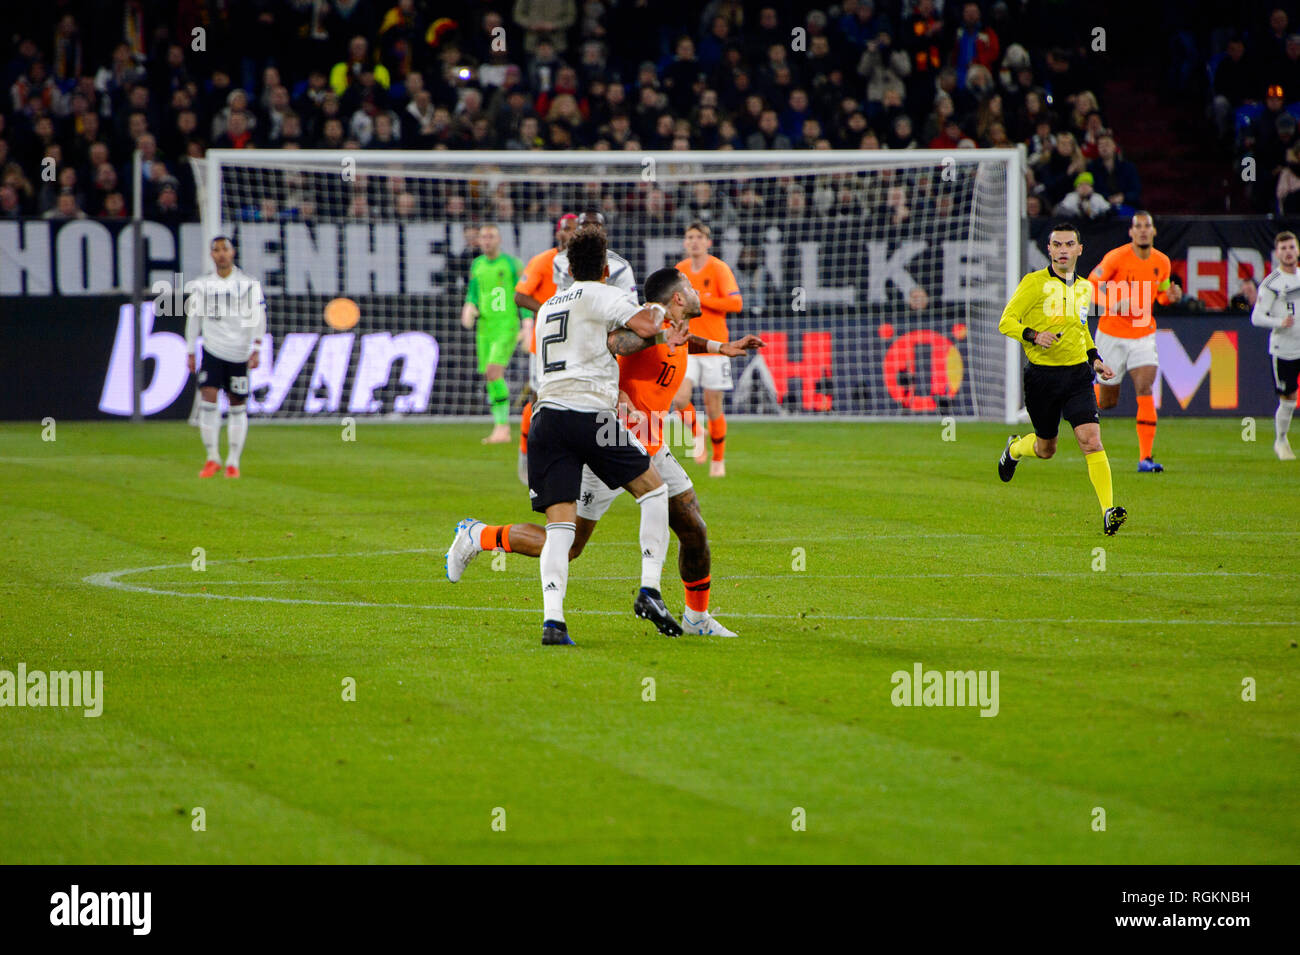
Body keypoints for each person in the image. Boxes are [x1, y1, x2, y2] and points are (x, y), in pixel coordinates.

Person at [446, 268, 765, 636]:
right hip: (609, 445)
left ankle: (696, 618)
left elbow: (678, 340)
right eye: (690, 288)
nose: (696, 292)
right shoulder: (639, 323)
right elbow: (613, 345)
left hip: (652, 444)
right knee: (566, 546)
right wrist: (618, 395)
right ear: (677, 298)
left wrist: (720, 347)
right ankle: (478, 536)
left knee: (693, 527)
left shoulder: (671, 328)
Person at [491, 229, 686, 645]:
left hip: (546, 418)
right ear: (604, 268)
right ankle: (650, 590)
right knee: (653, 492)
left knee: (560, 530)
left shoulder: (547, 307)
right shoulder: (600, 293)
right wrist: (660, 305)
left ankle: (553, 624)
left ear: (567, 267)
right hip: (589, 416)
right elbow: (649, 323)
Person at [997, 222, 1127, 536]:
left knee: (1091, 440)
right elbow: (1006, 322)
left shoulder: (1084, 287)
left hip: (1077, 376)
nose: (1063, 250)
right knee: (1046, 449)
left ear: (1079, 249)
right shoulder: (1033, 283)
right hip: (1042, 378)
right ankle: (1014, 450)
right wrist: (1032, 335)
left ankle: (1108, 510)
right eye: (1057, 245)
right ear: (1049, 249)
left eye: (1069, 244)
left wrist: (1095, 359)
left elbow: (1081, 329)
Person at [1088, 212, 1181, 471]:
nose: (1142, 231)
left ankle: (1145, 458)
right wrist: (1112, 302)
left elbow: (1161, 293)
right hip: (1112, 334)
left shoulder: (1162, 262)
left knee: (1145, 388)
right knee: (1107, 401)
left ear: (1153, 231)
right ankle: (1078, 399)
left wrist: (1169, 297)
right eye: (1137, 226)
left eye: (1147, 226)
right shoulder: (1116, 257)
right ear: (1131, 232)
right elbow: (1090, 285)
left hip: (1143, 333)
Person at [184, 236, 266, 478]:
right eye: (216, 250)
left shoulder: (249, 284)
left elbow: (258, 316)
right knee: (208, 398)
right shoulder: (202, 285)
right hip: (212, 351)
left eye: (225, 249)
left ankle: (233, 461)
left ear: (232, 253)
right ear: (212, 255)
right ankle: (212, 458)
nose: (221, 254)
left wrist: (257, 347)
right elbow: (194, 318)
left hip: (239, 352)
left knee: (237, 405)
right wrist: (190, 350)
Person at [673, 221, 743, 476]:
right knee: (679, 398)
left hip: (715, 347)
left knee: (713, 406)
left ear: (708, 242)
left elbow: (736, 303)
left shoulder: (718, 268)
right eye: (690, 236)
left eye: (699, 237)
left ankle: (718, 459)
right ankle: (696, 431)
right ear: (685, 242)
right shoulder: (679, 270)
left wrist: (703, 299)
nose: (694, 241)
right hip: (687, 344)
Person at [514, 213, 579, 483]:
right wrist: (550, 311)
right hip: (543, 345)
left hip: (575, 344)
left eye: (576, 230)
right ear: (558, 233)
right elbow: (519, 295)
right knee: (539, 399)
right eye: (566, 230)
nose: (570, 234)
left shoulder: (588, 264)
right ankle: (526, 454)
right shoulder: (543, 261)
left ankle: (567, 457)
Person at [461, 224, 525, 444]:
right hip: (485, 328)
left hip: (506, 325)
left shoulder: (510, 264)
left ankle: (503, 427)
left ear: (499, 240)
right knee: (490, 376)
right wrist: (469, 306)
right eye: (483, 237)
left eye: (491, 236)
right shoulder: (477, 265)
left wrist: (527, 323)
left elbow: (522, 294)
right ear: (479, 241)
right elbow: (473, 292)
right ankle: (499, 426)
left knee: (493, 371)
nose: (487, 240)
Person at [1251, 230, 1300, 460]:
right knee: (1289, 398)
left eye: (1291, 247)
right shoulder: (1272, 283)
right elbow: (1256, 317)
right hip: (1285, 350)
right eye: (1283, 248)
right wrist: (1279, 322)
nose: (1288, 252)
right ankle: (1281, 441)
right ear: (1277, 253)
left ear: (1297, 250)